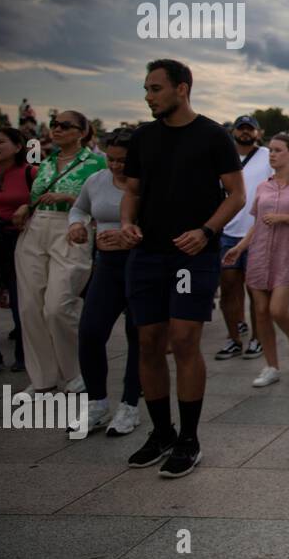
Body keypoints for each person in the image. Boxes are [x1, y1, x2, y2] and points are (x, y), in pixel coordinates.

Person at [120, 60, 246, 477]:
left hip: (192, 252)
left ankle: (189, 438)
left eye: (156, 88)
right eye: (146, 89)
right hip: (148, 252)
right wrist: (126, 224)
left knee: (185, 338)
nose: (149, 96)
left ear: (182, 88)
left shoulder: (213, 136)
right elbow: (132, 191)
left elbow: (236, 195)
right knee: (149, 340)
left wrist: (207, 231)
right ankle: (161, 432)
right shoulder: (143, 137)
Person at [14, 110, 106, 392]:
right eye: (55, 125)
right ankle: (43, 378)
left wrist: (69, 198)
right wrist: (25, 206)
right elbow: (35, 194)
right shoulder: (46, 161)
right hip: (36, 228)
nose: (57, 129)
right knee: (30, 306)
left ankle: (75, 371)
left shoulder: (96, 163)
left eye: (66, 126)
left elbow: (104, 201)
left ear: (82, 131)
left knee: (57, 306)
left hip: (72, 228)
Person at [65, 128, 142, 434]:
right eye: (110, 159)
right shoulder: (96, 180)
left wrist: (132, 235)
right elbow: (79, 208)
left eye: (122, 161)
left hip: (140, 264)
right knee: (91, 331)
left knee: (138, 335)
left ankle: (130, 405)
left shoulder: (148, 183)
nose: (115, 166)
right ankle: (97, 402)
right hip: (106, 265)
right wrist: (76, 226)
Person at [222, 134, 289, 388]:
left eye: (278, 150)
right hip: (259, 254)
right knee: (260, 313)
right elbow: (257, 223)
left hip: (287, 255)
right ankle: (271, 366)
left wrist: (284, 218)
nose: (272, 154)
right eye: (270, 150)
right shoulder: (263, 186)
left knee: (277, 310)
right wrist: (239, 248)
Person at [215, 116, 271, 360]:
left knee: (255, 289)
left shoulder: (267, 155)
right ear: (234, 132)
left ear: (258, 132)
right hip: (228, 231)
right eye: (241, 128)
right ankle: (233, 338)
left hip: (257, 232)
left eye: (250, 129)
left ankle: (258, 339)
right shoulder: (222, 154)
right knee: (228, 288)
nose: (245, 133)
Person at [0, 128, 36, 372]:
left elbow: (42, 200)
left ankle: (25, 355)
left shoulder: (30, 172)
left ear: (18, 147)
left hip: (21, 241)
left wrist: (26, 206)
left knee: (20, 299)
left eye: (1, 142)